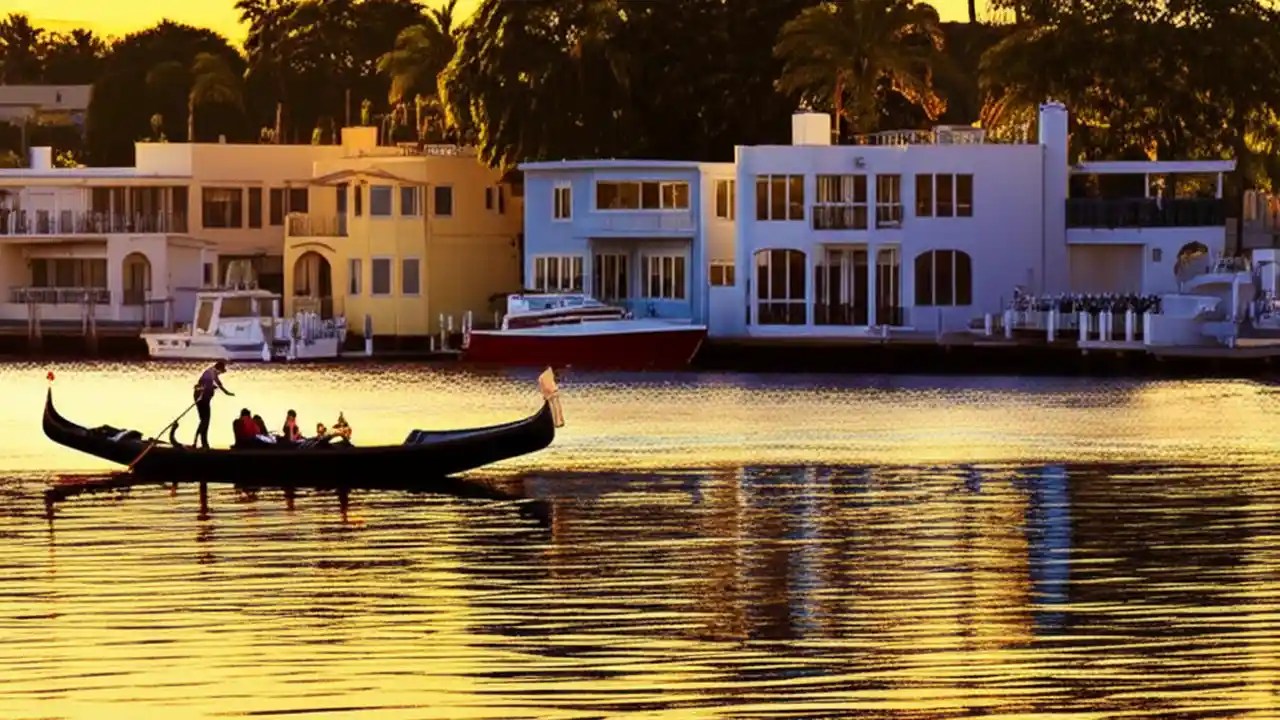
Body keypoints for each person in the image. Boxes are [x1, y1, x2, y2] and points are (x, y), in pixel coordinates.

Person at [192, 360, 234, 449]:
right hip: (201, 399)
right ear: (218, 369)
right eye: (221, 371)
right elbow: (202, 386)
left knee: (205, 421)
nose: (220, 374)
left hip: (205, 399)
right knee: (204, 421)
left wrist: (227, 393)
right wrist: (211, 388)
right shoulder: (209, 373)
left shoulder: (213, 373)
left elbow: (219, 384)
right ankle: (196, 441)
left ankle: (204, 443)